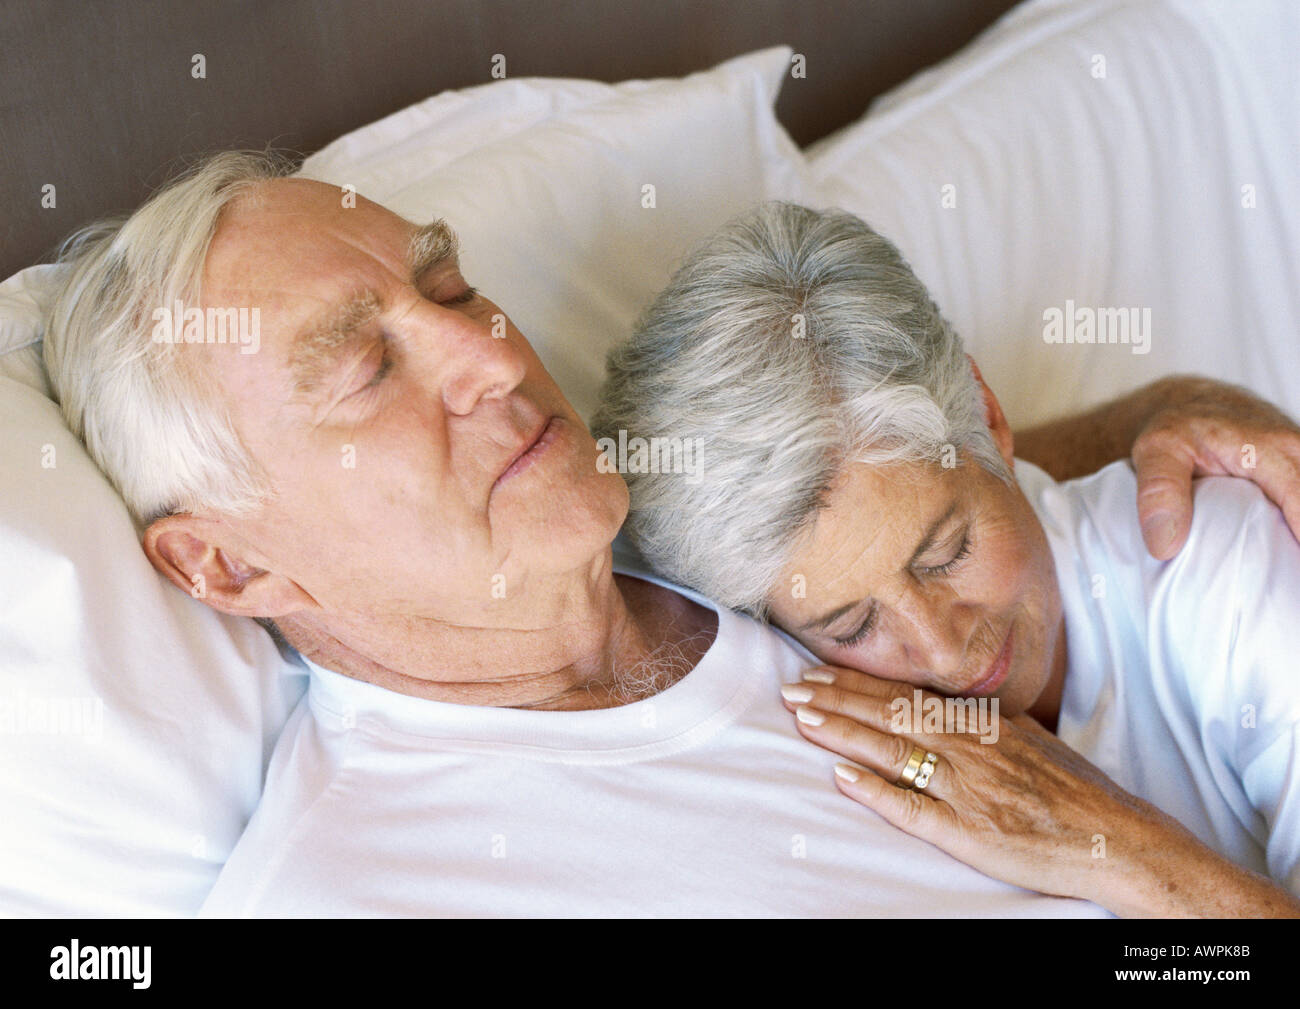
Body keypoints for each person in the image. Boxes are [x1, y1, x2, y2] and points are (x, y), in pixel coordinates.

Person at [40, 153, 1300, 915]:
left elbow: (916, 476)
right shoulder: (368, 895)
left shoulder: (679, 529)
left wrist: (1174, 414)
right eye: (368, 368)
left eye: (451, 288)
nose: (488, 349)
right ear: (231, 563)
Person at [593, 201, 1300, 916]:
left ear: (988, 415)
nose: (946, 652)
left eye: (945, 552)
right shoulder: (798, 722)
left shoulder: (1230, 567)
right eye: (851, 624)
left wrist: (1111, 842)